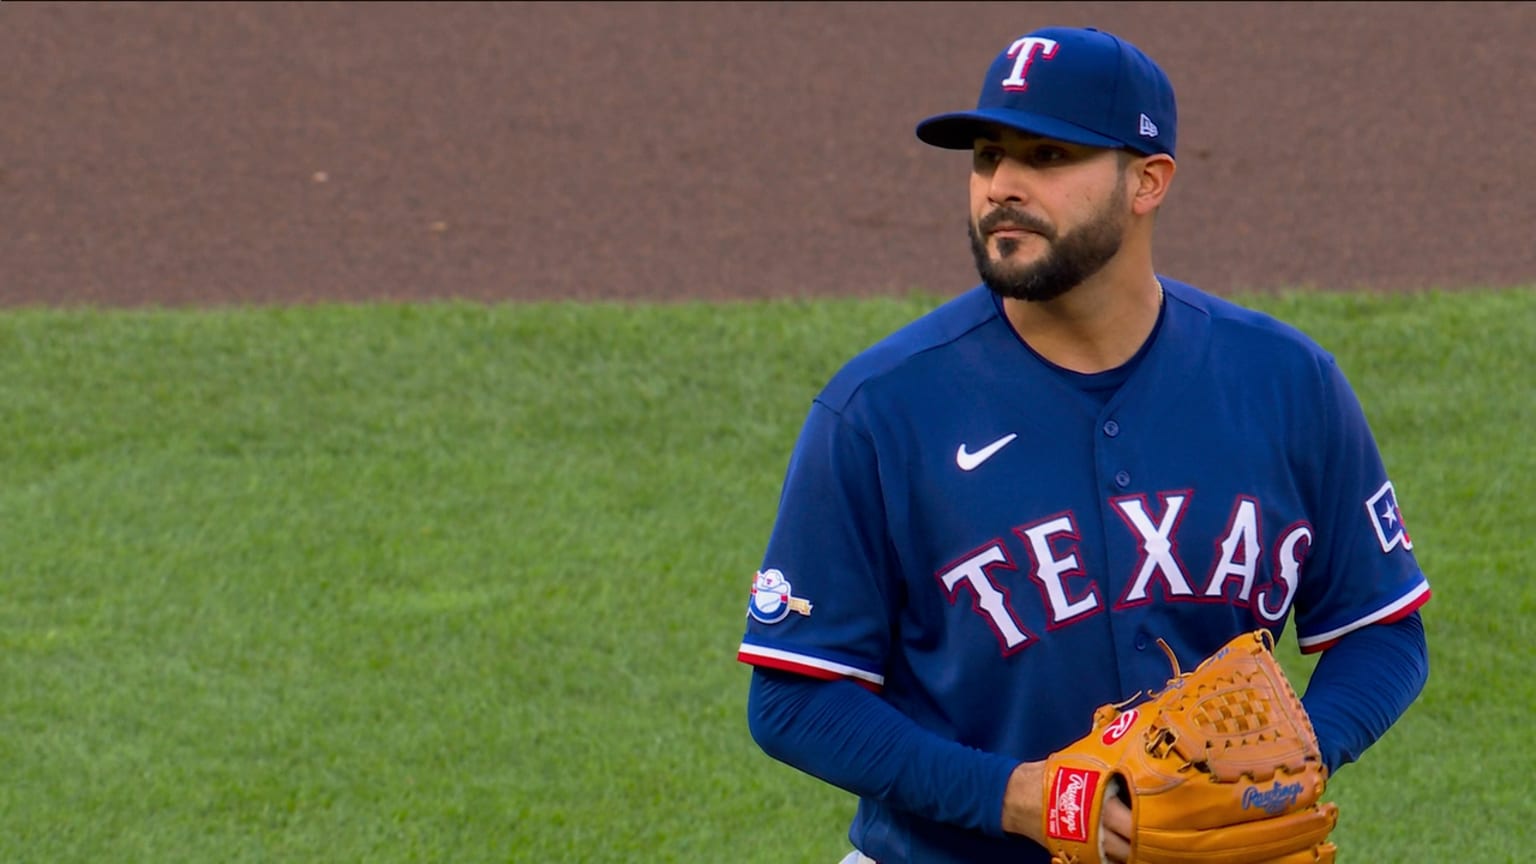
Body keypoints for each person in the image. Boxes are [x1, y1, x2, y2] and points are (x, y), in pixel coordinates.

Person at [734, 24, 1431, 864]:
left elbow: (1382, 629)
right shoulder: (880, 411)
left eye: (1048, 158)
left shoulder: (1286, 384)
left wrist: (1290, 760)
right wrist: (1012, 798)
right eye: (988, 156)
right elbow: (794, 697)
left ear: (1148, 181)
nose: (1003, 187)